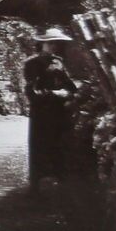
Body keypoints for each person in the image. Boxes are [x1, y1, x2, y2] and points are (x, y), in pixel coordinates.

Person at [23, 27, 77, 193]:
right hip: (41, 111)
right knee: (39, 144)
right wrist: (53, 94)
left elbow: (70, 85)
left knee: (59, 144)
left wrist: (68, 93)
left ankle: (60, 183)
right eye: (50, 43)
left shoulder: (58, 61)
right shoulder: (32, 63)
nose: (53, 46)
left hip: (59, 111)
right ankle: (35, 186)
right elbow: (31, 89)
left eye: (56, 43)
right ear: (42, 44)